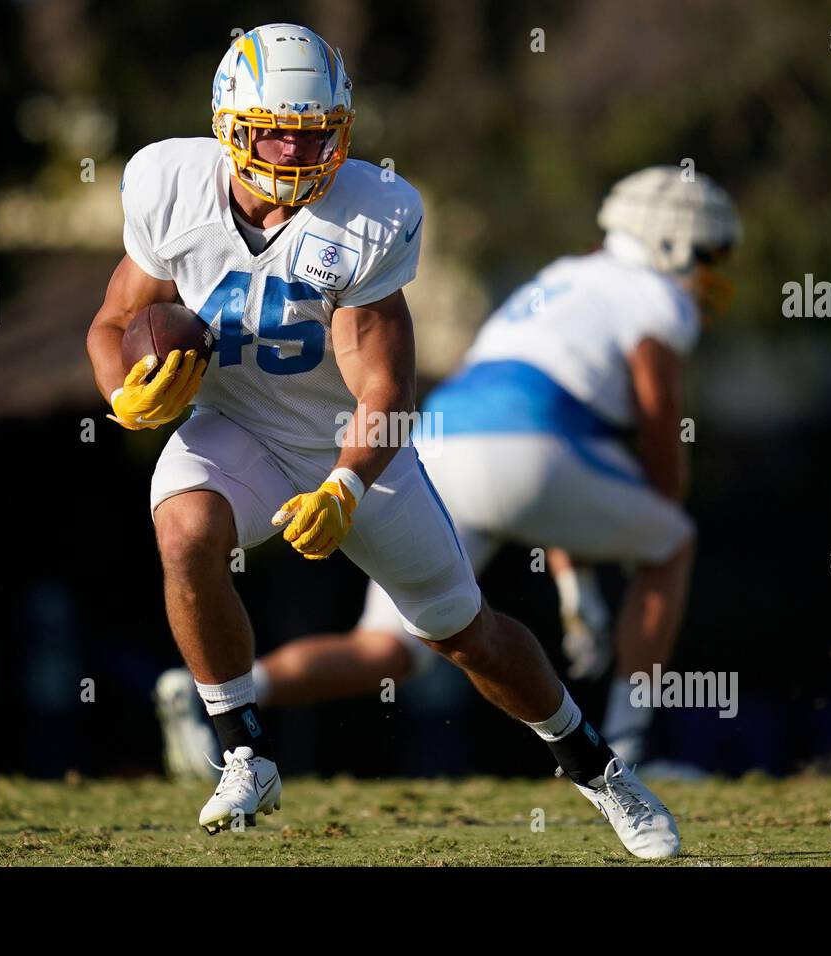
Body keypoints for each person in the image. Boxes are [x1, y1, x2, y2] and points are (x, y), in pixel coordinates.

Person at [87, 23, 680, 856]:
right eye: (277, 129)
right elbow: (116, 320)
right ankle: (243, 753)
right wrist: (124, 393)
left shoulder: (371, 211)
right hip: (236, 429)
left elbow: (383, 387)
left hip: (350, 441)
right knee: (184, 531)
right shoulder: (169, 184)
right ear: (230, 125)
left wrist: (347, 486)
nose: (296, 151)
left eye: (315, 130)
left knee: (462, 632)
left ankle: (598, 769)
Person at [158, 166, 741, 769]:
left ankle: (228, 697)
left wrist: (573, 578)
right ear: (674, 244)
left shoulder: (561, 278)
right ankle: (630, 747)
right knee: (671, 543)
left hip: (436, 440)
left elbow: (553, 437)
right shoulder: (657, 296)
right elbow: (653, 430)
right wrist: (650, 518)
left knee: (390, 648)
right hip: (523, 450)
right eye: (709, 255)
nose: (710, 273)